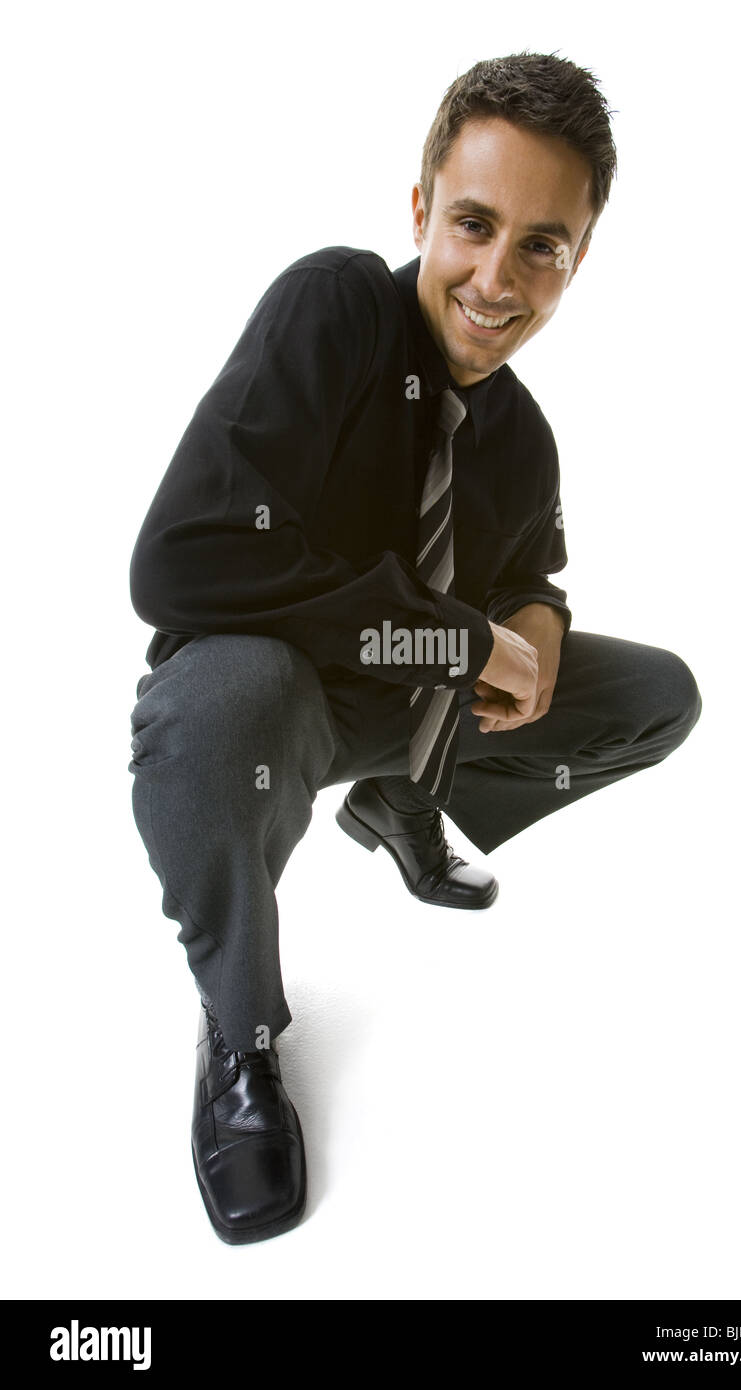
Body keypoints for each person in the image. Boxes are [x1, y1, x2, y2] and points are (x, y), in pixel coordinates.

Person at [128, 51, 702, 1245]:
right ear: (419, 210)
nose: (498, 278)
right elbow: (178, 562)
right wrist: (451, 634)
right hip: (264, 704)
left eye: (541, 245)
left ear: (576, 260)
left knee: (656, 695)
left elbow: (530, 573)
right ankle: (239, 1039)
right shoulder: (336, 307)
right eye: (474, 224)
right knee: (223, 708)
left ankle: (397, 797)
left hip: (398, 711)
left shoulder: (521, 435)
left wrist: (531, 630)